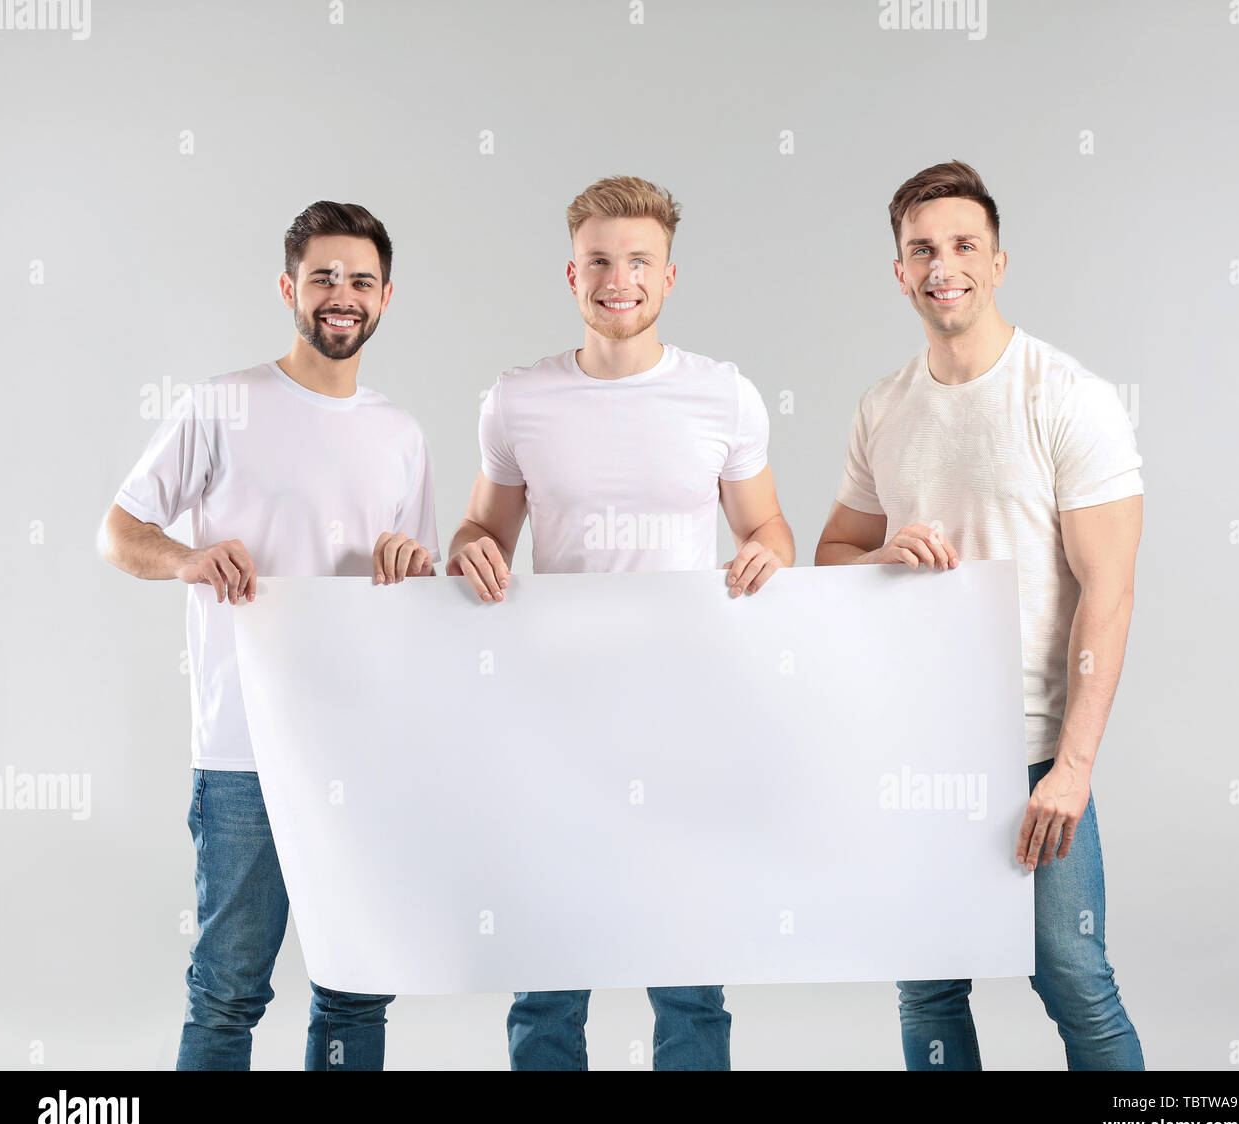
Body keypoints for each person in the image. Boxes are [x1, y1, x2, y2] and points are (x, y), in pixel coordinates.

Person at [447, 175, 795, 1070]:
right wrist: (468, 546)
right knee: (549, 972)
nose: (619, 279)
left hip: (687, 711)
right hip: (556, 715)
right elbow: (484, 531)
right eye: (599, 261)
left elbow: (768, 529)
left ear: (668, 278)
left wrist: (769, 554)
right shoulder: (517, 401)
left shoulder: (724, 397)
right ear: (573, 277)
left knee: (688, 975)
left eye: (639, 261)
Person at [815, 160, 1145, 1070]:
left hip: (1037, 746)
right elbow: (833, 556)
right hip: (920, 746)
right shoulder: (883, 407)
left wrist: (1072, 769)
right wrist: (881, 556)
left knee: (1073, 978)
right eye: (921, 249)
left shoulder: (1067, 397)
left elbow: (1108, 591)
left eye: (963, 246)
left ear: (998, 262)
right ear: (899, 272)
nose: (942, 265)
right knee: (926, 985)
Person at [100, 201, 439, 1070]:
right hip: (242, 750)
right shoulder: (223, 406)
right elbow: (119, 531)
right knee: (227, 991)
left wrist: (411, 566)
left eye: (360, 280)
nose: (341, 295)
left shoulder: (401, 435)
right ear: (290, 288)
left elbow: (422, 601)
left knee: (357, 992)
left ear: (386, 298)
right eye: (323, 277)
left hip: (360, 753)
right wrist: (184, 559)